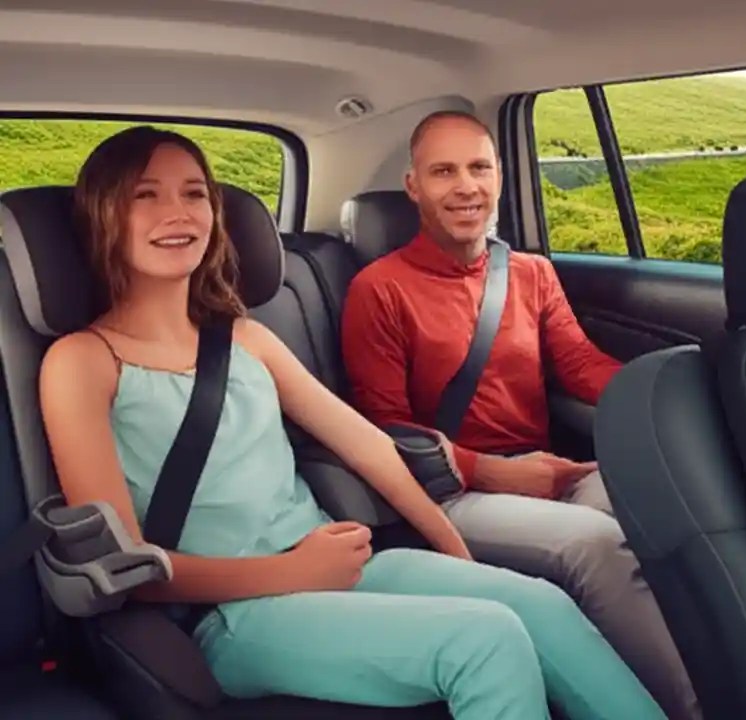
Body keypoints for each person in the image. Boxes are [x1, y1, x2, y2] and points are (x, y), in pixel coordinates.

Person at [38, 124, 665, 720]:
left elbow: (368, 446)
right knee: (485, 638)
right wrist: (291, 573)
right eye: (145, 196)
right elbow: (129, 564)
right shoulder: (82, 362)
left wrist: (459, 554)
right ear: (104, 218)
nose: (178, 212)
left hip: (331, 562)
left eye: (195, 193)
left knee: (539, 604)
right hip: (229, 613)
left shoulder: (246, 340)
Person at [340, 110, 699, 720]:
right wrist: (493, 473)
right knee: (597, 546)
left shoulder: (530, 273)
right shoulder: (380, 288)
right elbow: (384, 431)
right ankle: (692, 708)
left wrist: (679, 399)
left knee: (674, 496)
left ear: (500, 176)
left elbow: (582, 367)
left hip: (548, 471)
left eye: (479, 167)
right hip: (448, 490)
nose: (465, 186)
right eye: (443, 171)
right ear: (413, 186)